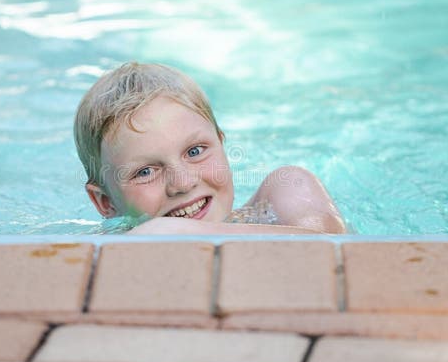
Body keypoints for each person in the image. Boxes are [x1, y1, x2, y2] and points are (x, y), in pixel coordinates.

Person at [74, 61, 347, 235]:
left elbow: (332, 249)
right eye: (145, 171)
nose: (182, 183)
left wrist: (171, 234)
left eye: (195, 151)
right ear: (105, 202)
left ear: (221, 144)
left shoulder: (279, 198)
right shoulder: (104, 255)